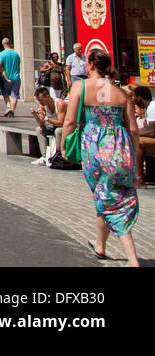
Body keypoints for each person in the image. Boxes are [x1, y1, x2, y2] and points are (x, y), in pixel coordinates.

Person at [61, 48, 142, 265]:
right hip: (121, 147)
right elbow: (133, 130)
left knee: (107, 198)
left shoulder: (81, 86)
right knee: (106, 195)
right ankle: (100, 244)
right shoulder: (122, 93)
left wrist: (63, 145)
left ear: (89, 65)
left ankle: (132, 259)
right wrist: (135, 161)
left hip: (95, 148)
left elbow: (69, 121)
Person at [29, 86, 66, 166]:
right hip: (53, 125)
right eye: (38, 100)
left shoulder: (59, 103)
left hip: (66, 126)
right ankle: (45, 157)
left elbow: (61, 123)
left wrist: (47, 119)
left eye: (41, 100)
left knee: (58, 131)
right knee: (39, 130)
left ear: (48, 96)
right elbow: (42, 124)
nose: (40, 102)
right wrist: (35, 115)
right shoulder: (42, 105)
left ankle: (58, 156)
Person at [0, 37, 22, 117]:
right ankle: (12, 110)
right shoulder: (16, 54)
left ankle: (9, 107)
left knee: (5, 94)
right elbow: (18, 65)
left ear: (3, 44)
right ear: (10, 43)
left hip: (6, 77)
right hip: (16, 77)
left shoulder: (2, 54)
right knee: (15, 95)